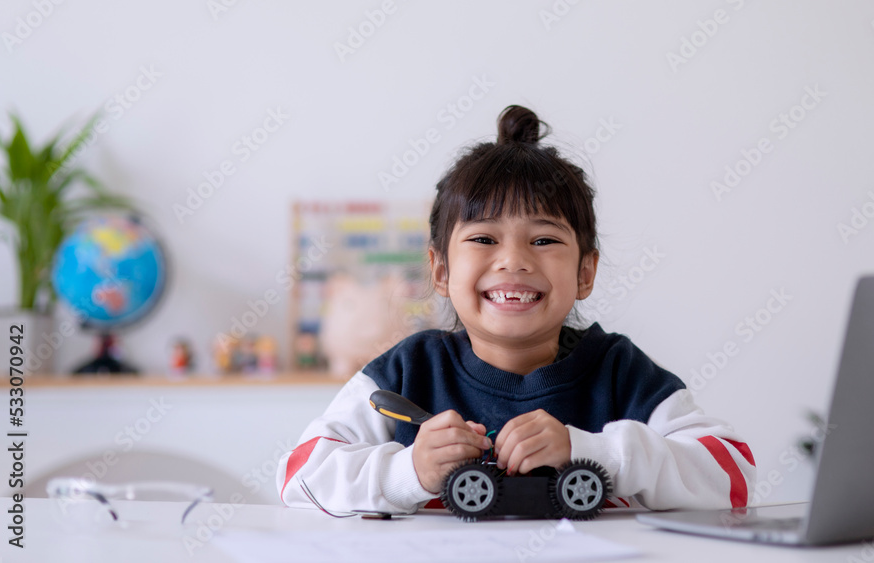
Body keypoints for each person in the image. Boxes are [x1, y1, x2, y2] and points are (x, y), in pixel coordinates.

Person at [276, 105, 755, 513]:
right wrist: (408, 471)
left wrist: (593, 451)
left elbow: (732, 475)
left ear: (585, 272)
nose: (513, 261)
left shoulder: (619, 371)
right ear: (440, 270)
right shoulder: (407, 371)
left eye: (544, 240)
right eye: (483, 239)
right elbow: (299, 475)